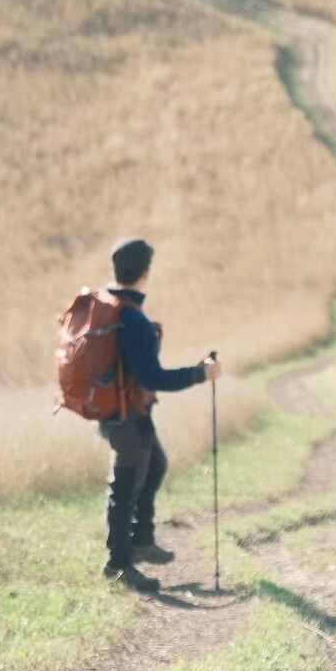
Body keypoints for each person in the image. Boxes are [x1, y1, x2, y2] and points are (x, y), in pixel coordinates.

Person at [99, 238, 220, 593]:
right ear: (146, 273)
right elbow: (153, 378)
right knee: (124, 487)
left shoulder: (110, 307)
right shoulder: (132, 319)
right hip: (127, 415)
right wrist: (200, 373)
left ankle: (141, 541)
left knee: (155, 466)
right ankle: (119, 565)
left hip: (118, 411)